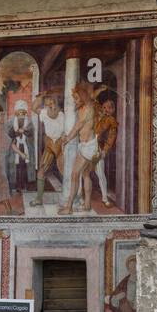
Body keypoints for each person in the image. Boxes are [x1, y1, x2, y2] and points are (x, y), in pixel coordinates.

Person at [58, 82, 99, 215]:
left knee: (74, 174)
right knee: (86, 174)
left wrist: (67, 139)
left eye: (76, 98)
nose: (74, 101)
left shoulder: (87, 109)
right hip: (87, 145)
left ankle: (68, 207)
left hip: (88, 147)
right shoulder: (84, 108)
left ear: (82, 97)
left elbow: (77, 127)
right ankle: (87, 204)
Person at [30, 92, 65, 207]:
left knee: (65, 171)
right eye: (47, 105)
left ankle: (70, 198)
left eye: (53, 104)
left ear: (57, 105)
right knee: (41, 171)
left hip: (61, 146)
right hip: (50, 145)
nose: (51, 107)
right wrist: (40, 97)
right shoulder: (44, 113)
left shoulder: (63, 115)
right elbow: (34, 107)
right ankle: (39, 199)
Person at [92, 90, 118, 207]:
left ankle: (104, 198)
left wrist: (105, 151)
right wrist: (100, 90)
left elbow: (111, 138)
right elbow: (92, 100)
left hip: (98, 147)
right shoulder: (97, 111)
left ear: (112, 110)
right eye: (104, 107)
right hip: (86, 144)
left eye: (108, 108)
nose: (105, 110)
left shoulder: (111, 121)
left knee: (100, 173)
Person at [6, 98, 34, 193]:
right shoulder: (11, 122)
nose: (21, 115)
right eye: (19, 113)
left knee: (25, 166)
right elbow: (9, 134)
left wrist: (25, 131)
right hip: (15, 147)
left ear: (25, 112)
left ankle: (25, 185)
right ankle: (16, 185)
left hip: (26, 146)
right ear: (16, 113)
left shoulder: (29, 122)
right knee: (16, 166)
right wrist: (17, 132)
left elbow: (31, 132)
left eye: (23, 112)